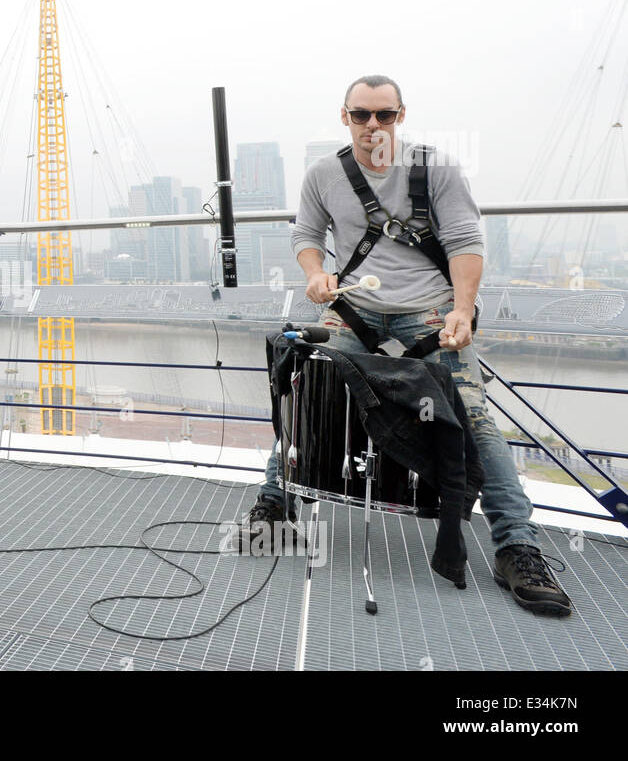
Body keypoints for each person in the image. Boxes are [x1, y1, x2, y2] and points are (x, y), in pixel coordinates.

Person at [242, 74, 572, 617]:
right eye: (361, 115)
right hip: (355, 307)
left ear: (400, 115)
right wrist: (314, 272)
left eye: (385, 115)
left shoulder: (436, 168)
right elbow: (305, 235)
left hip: (431, 310)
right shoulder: (324, 174)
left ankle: (517, 546)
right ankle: (275, 501)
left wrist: (463, 310)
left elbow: (466, 240)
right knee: (303, 387)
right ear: (344, 116)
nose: (373, 125)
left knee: (473, 416)